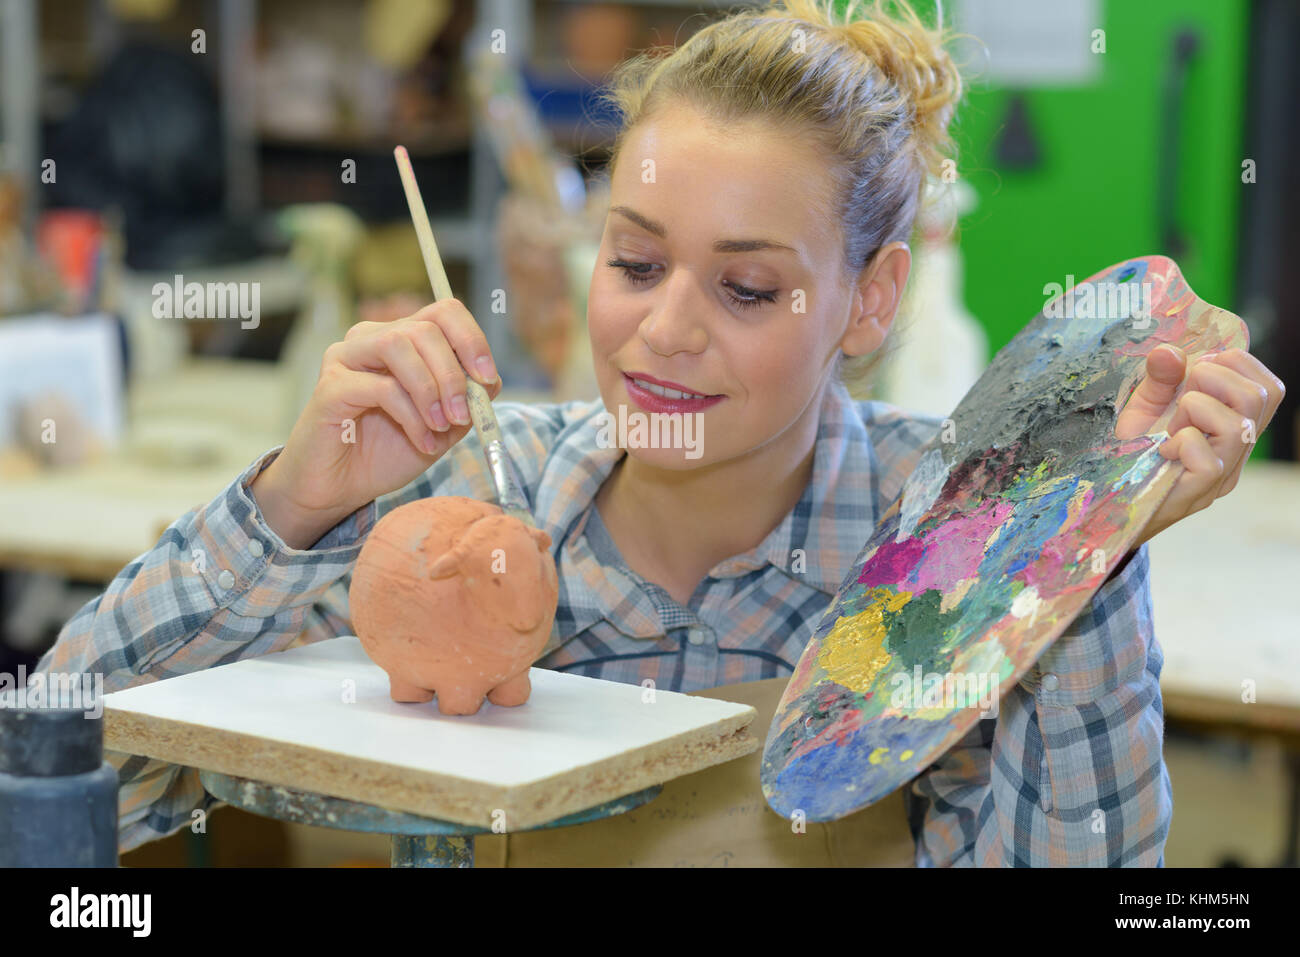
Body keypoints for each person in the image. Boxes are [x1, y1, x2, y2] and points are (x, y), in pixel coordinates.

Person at [32, 0, 1286, 865]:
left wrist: (1082, 545)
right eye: (635, 263)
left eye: (746, 290)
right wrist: (292, 503)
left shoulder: (952, 536)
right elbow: (66, 781)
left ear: (873, 300)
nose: (663, 334)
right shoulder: (473, 499)